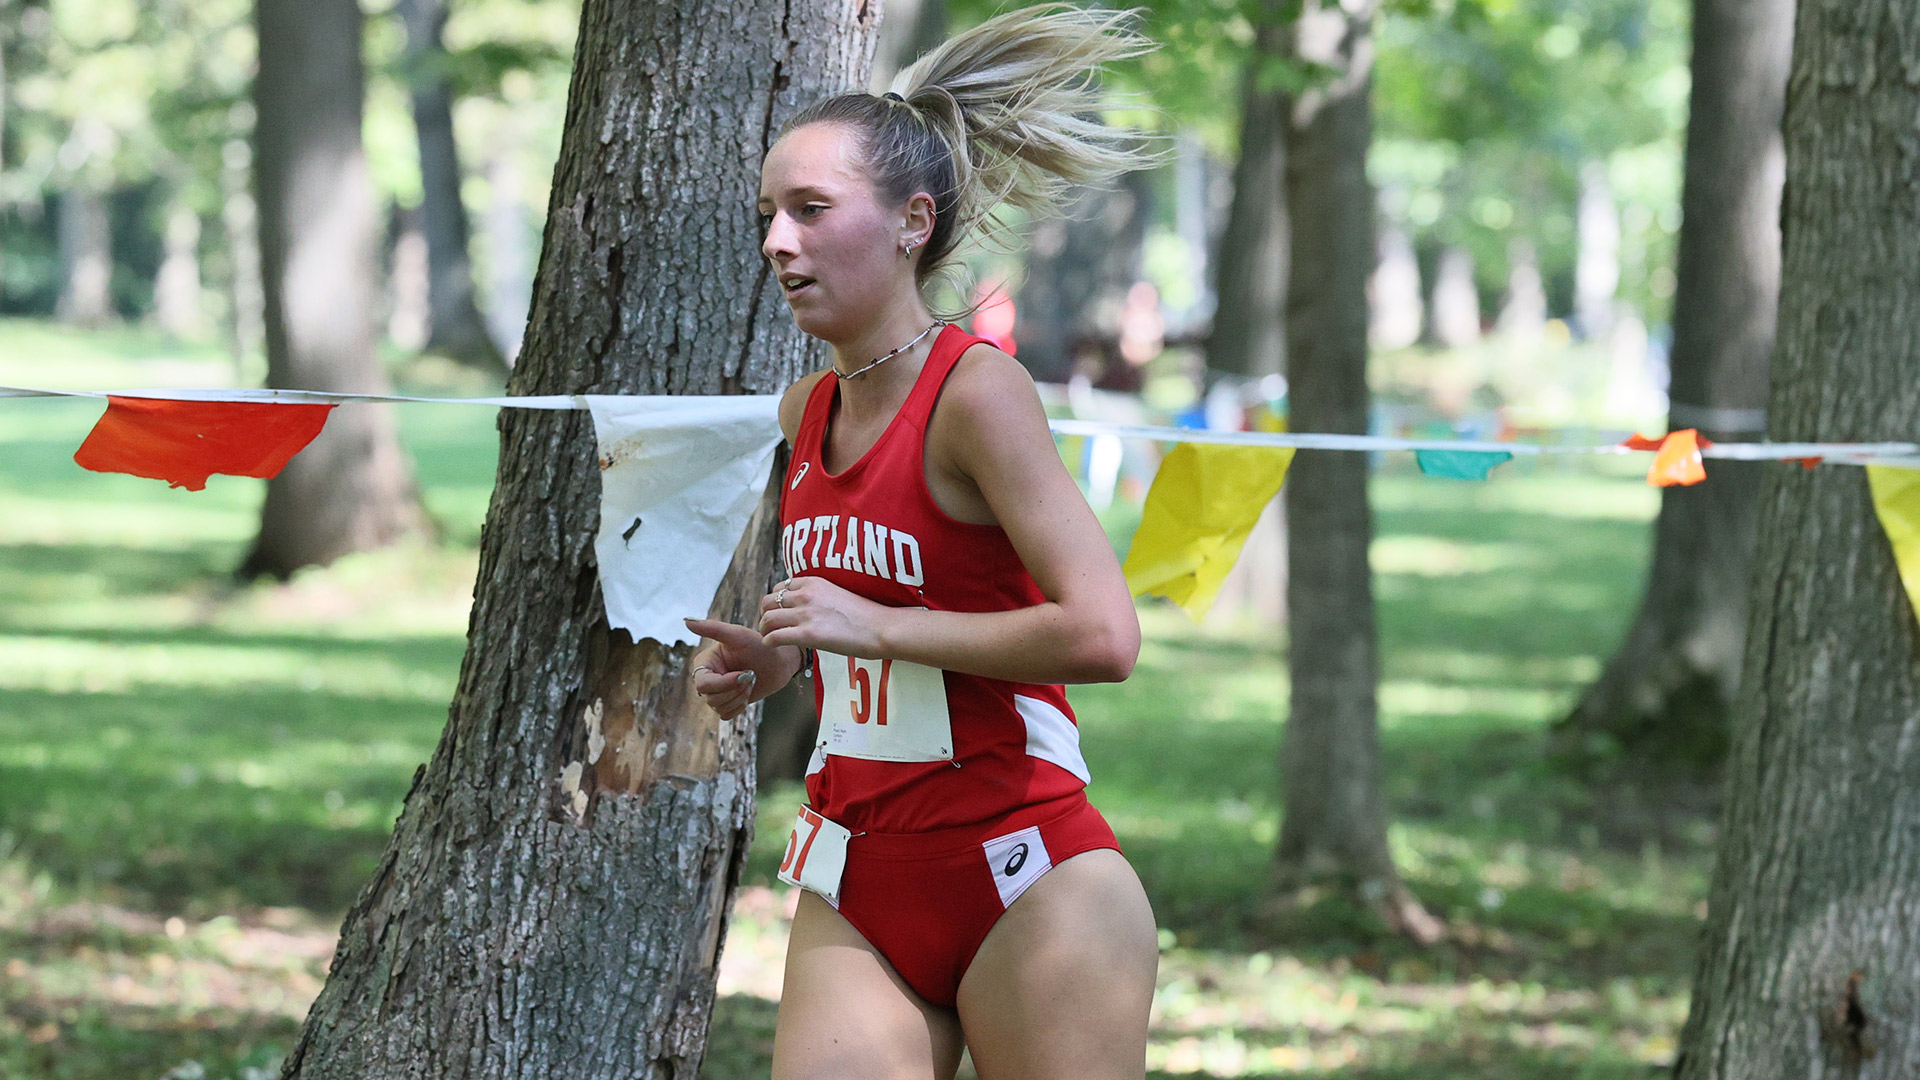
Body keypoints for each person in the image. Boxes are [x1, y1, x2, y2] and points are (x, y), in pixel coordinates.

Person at [685, 6, 1166, 1077]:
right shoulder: (807, 409)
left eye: (810, 210)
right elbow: (877, 611)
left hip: (1027, 870)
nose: (776, 241)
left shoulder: (975, 393)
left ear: (910, 222)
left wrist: (880, 627)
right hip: (854, 874)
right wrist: (791, 657)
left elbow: (1105, 635)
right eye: (770, 212)